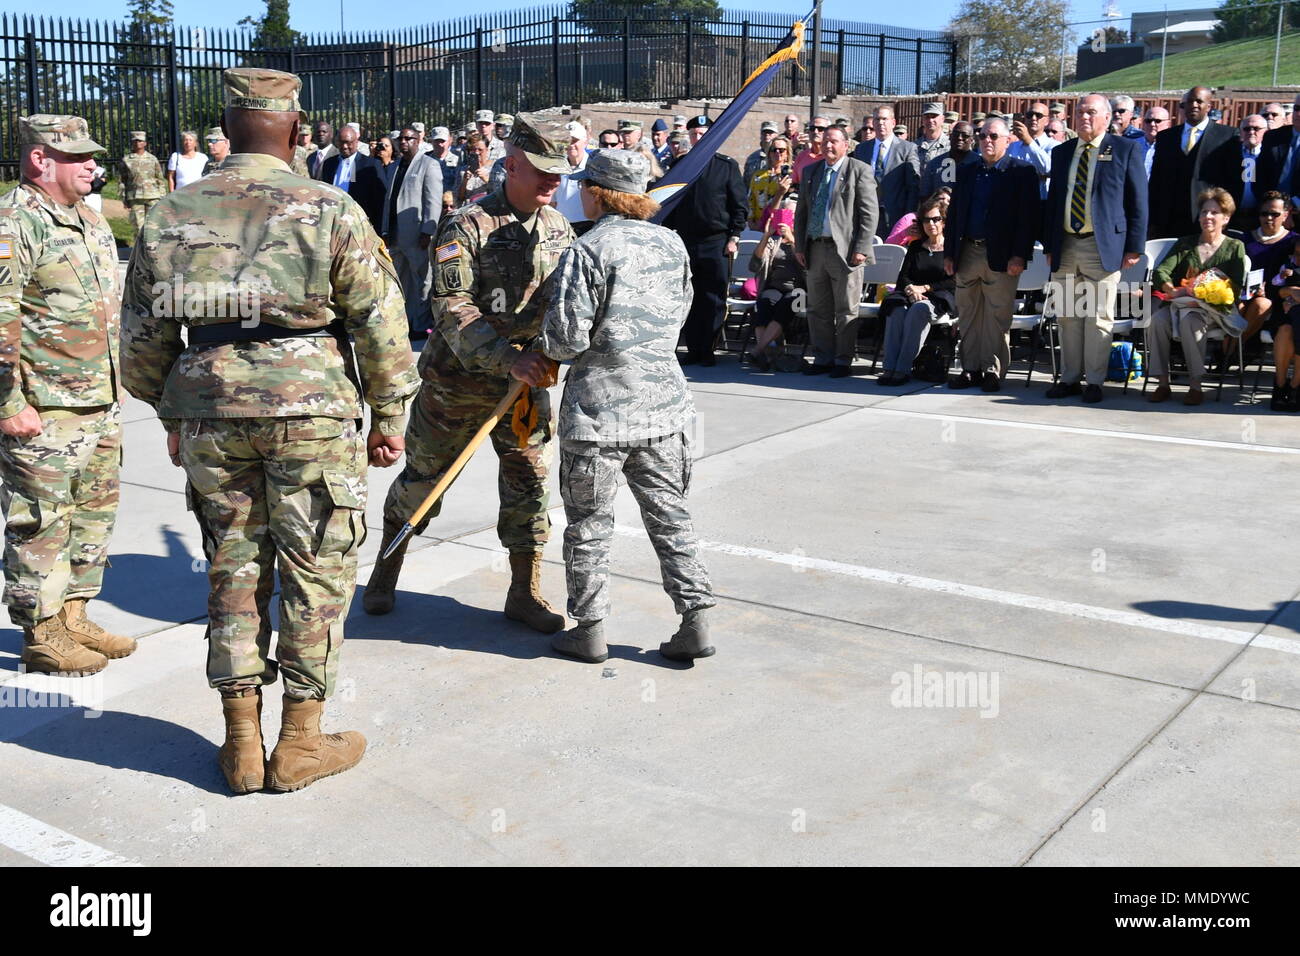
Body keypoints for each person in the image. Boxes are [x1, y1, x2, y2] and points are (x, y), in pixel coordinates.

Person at [121, 68, 420, 795]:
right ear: (292, 128)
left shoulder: (168, 213)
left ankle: (242, 744)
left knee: (233, 570)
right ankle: (299, 742)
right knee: (317, 575)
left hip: (212, 416)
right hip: (311, 414)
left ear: (227, 126)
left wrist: (177, 409)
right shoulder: (330, 208)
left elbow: (138, 348)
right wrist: (388, 420)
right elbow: (383, 329)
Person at [364, 113, 575, 633]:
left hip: (524, 387)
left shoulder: (558, 229)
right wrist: (507, 357)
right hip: (457, 383)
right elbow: (451, 305)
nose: (552, 181)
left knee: (529, 482)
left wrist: (558, 346)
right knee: (425, 480)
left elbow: (566, 302)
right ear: (510, 167)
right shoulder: (468, 225)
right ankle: (386, 568)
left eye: (558, 172)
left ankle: (524, 591)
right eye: (541, 170)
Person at [539, 149, 715, 664]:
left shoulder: (588, 249)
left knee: (590, 524)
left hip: (599, 414)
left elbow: (565, 340)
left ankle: (589, 628)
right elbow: (679, 315)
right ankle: (695, 618)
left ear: (598, 192)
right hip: (662, 408)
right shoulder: (672, 245)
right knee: (671, 516)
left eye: (585, 187)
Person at [0, 114, 132, 677]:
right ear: (40, 160)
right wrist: (8, 405)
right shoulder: (16, 220)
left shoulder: (90, 221)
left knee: (93, 515)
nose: (93, 166)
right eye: (79, 157)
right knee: (42, 521)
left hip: (97, 400)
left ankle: (73, 613)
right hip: (43, 407)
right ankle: (41, 632)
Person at [1042, 94, 1148, 404]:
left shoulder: (1125, 149)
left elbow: (1138, 201)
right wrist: (1050, 243)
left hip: (1102, 245)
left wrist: (1134, 247)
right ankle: (1070, 378)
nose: (1084, 117)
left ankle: (1096, 381)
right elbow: (1053, 202)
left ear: (1106, 117)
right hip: (1065, 244)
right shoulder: (1062, 153)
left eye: (1091, 112)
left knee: (1098, 316)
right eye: (1080, 112)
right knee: (1067, 315)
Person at [944, 117, 1040, 392]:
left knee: (997, 318)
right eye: (983, 135)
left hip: (1001, 255)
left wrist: (1019, 255)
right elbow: (955, 216)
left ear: (1008, 140)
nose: (987, 140)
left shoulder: (1022, 171)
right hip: (968, 251)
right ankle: (969, 368)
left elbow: (1027, 220)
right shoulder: (967, 169)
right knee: (968, 314)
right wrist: (950, 253)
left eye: (994, 136)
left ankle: (992, 370)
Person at [1146, 187, 1249, 405]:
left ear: (1226, 218)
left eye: (1214, 213)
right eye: (1204, 212)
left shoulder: (1234, 247)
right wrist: (1170, 289)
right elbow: (1161, 271)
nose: (1207, 217)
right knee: (1156, 321)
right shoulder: (1186, 243)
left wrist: (1206, 296)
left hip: (1214, 311)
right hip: (1180, 304)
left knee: (1191, 321)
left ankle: (1195, 385)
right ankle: (1162, 383)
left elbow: (1236, 286)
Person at [662, 114, 747, 367]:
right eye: (694, 134)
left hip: (716, 241)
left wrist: (734, 236)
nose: (698, 138)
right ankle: (693, 348)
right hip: (686, 241)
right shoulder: (682, 166)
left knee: (713, 298)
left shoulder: (726, 165)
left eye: (703, 133)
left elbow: (739, 206)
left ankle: (708, 349)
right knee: (690, 297)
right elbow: (670, 204)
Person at [793, 125, 878, 378]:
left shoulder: (859, 171)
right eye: (825, 141)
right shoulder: (811, 171)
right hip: (815, 248)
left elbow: (869, 213)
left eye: (834, 142)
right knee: (818, 309)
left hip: (846, 252)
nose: (828, 146)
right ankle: (823, 357)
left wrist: (862, 248)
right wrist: (799, 245)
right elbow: (802, 214)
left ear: (846, 144)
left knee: (845, 309)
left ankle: (842, 360)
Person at [876, 196, 954, 386]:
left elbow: (952, 281)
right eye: (926, 220)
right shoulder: (916, 246)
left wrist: (926, 288)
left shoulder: (952, 248)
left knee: (919, 310)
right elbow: (903, 277)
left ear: (944, 221)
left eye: (936, 219)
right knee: (896, 311)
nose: (931, 224)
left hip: (939, 296)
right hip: (910, 293)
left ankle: (902, 369)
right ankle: (889, 368)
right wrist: (911, 289)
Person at [1148, 86, 1238, 239]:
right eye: (1189, 101)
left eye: (1199, 101)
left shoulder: (1227, 136)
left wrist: (1224, 218)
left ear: (1209, 106)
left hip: (1205, 218)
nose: (1194, 105)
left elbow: (1233, 181)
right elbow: (1156, 180)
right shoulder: (1166, 137)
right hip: (1168, 220)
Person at [1231, 192, 1296, 399]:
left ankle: (1230, 353)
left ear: (1286, 214)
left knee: (1262, 304)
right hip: (1243, 296)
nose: (1268, 217)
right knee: (1238, 306)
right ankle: (1234, 351)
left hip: (1279, 300)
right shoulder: (1245, 239)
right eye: (1264, 213)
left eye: (1274, 214)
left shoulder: (1295, 242)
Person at [381, 125, 443, 334]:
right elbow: (389, 200)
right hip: (396, 235)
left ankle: (422, 324)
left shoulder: (429, 165)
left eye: (409, 138)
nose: (404, 142)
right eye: (401, 139)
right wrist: (385, 230)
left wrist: (428, 230)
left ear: (418, 141)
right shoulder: (395, 166)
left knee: (423, 281)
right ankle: (406, 323)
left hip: (417, 235)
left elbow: (433, 201)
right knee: (401, 282)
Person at [745, 199, 804, 371]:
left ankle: (758, 350)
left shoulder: (804, 238)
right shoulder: (774, 240)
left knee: (787, 305)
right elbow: (753, 266)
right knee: (762, 304)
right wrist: (766, 236)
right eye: (783, 213)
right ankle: (767, 354)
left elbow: (809, 270)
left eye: (790, 215)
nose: (785, 218)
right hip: (775, 287)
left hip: (801, 291)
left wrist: (793, 240)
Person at [853, 105, 920, 238]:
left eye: (885, 119)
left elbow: (913, 186)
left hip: (895, 215)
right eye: (877, 119)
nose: (881, 123)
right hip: (866, 215)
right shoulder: (861, 149)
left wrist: (909, 217)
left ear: (893, 122)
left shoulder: (908, 149)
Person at [323, 123, 387, 232]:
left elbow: (380, 200)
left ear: (357, 142)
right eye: (341, 142)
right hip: (333, 223)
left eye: (348, 143)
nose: (344, 146)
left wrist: (380, 229)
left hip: (361, 225)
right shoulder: (329, 164)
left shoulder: (370, 165)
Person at [1257, 93, 1300, 213]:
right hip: (1270, 209)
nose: (1298, 114)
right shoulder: (1273, 137)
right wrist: (1268, 202)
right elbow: (1260, 172)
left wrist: (1293, 205)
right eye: (1296, 109)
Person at [1269, 240, 1300, 407]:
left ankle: (1296, 385)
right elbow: (1273, 289)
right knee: (1286, 330)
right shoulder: (1286, 264)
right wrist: (1289, 291)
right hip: (1285, 313)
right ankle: (1280, 384)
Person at [119, 130, 167, 234]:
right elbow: (123, 181)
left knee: (153, 225)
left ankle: (152, 248)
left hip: (153, 196)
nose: (137, 143)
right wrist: (124, 198)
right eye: (135, 141)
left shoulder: (152, 159)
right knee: (138, 226)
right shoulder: (126, 160)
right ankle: (139, 249)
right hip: (135, 197)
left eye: (140, 141)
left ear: (145, 143)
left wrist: (162, 196)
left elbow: (159, 179)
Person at [1006, 101, 1056, 199]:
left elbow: (1048, 169)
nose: (1033, 118)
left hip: (1042, 201)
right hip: (1015, 200)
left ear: (1047, 121)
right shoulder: (1013, 147)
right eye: (1029, 115)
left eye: (1038, 115)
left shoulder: (1054, 146)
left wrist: (1028, 141)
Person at [1228, 114, 1269, 230]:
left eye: (1256, 129)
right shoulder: (1229, 153)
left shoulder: (1271, 154)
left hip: (1261, 216)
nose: (1251, 132)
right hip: (1234, 215)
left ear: (1265, 132)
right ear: (1240, 132)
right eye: (1247, 129)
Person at [746, 135, 793, 231]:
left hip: (781, 226)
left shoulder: (792, 175)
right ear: (769, 153)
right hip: (758, 226)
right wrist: (751, 222)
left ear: (787, 153)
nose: (777, 152)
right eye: (773, 149)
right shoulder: (758, 175)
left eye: (781, 150)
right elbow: (751, 200)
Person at [554, 121, 592, 234]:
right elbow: (552, 202)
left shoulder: (593, 166)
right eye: (567, 141)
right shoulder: (556, 167)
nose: (571, 145)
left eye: (575, 141)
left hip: (588, 227)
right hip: (562, 227)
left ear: (585, 142)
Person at [921, 121, 976, 197]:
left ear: (972, 140)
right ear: (950, 137)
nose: (960, 138)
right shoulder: (934, 164)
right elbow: (925, 195)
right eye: (956, 134)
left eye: (965, 135)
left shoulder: (980, 163)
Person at [456, 131, 495, 206]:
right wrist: (464, 180)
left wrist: (485, 178)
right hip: (466, 212)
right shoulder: (463, 170)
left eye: (480, 150)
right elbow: (459, 198)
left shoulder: (495, 168)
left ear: (487, 150)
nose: (476, 153)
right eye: (473, 150)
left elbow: (500, 192)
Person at [914, 102, 950, 173]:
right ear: (923, 120)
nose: (930, 120)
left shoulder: (950, 145)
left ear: (942, 119)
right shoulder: (914, 146)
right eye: (927, 117)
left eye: (934, 116)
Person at [1138, 106, 1171, 180]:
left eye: (1157, 121)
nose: (1152, 124)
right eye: (1148, 121)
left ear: (1168, 124)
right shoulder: (1134, 145)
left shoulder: (1173, 148)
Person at [744, 120, 778, 188]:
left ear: (776, 135)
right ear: (761, 135)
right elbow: (745, 181)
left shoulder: (780, 156)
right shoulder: (752, 157)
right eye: (764, 132)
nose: (767, 135)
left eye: (770, 132)